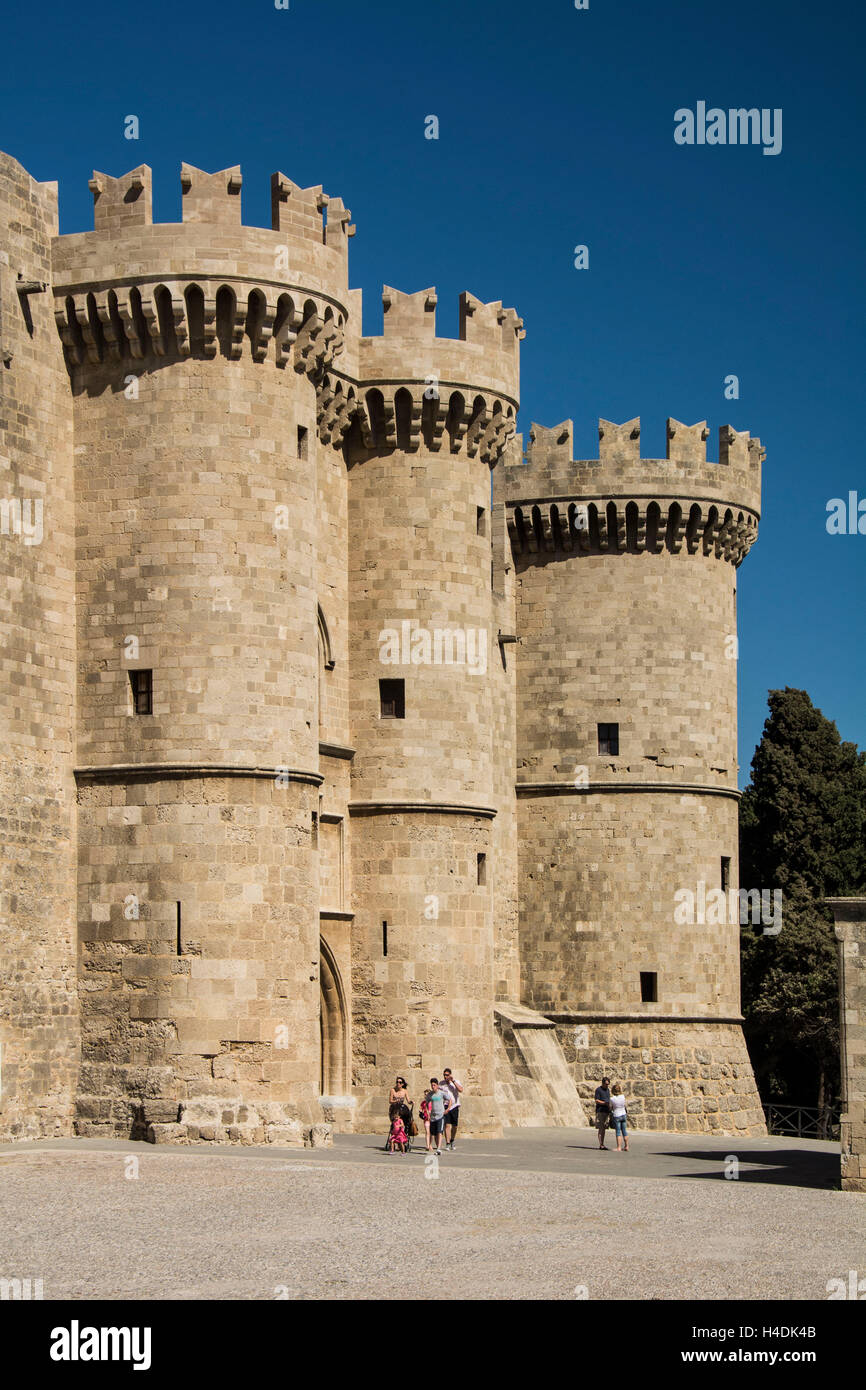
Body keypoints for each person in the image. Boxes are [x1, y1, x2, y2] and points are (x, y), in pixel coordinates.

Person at [422, 1077, 452, 1154]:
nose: (433, 1086)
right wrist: (428, 1113)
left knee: (439, 1132)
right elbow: (426, 1103)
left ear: (437, 1085)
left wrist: (447, 1109)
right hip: (432, 1117)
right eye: (432, 1085)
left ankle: (439, 1148)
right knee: (433, 1133)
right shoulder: (430, 1094)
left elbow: (450, 1099)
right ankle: (434, 1146)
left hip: (440, 1116)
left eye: (434, 1085)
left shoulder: (441, 1093)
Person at [441, 1067, 463, 1150]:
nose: (445, 1077)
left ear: (450, 1075)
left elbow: (461, 1090)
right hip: (446, 1105)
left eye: (447, 1075)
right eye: (444, 1075)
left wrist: (453, 1081)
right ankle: (447, 1143)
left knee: (455, 1126)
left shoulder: (456, 1081)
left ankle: (452, 1139)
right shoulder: (441, 1083)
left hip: (454, 1105)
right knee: (447, 1125)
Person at [609, 1084, 629, 1152]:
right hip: (623, 1114)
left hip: (617, 1114)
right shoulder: (623, 1097)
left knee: (618, 1132)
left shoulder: (612, 1099)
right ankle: (626, 1146)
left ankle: (619, 1147)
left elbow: (610, 1107)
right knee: (624, 1131)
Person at [594, 1076, 612, 1149]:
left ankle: (602, 1143)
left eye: (608, 1084)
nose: (607, 1085)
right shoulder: (598, 1090)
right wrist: (604, 1103)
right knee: (601, 1128)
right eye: (606, 1084)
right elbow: (597, 1100)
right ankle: (601, 1144)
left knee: (604, 1128)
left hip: (606, 1111)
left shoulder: (608, 1090)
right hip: (600, 1111)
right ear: (603, 1083)